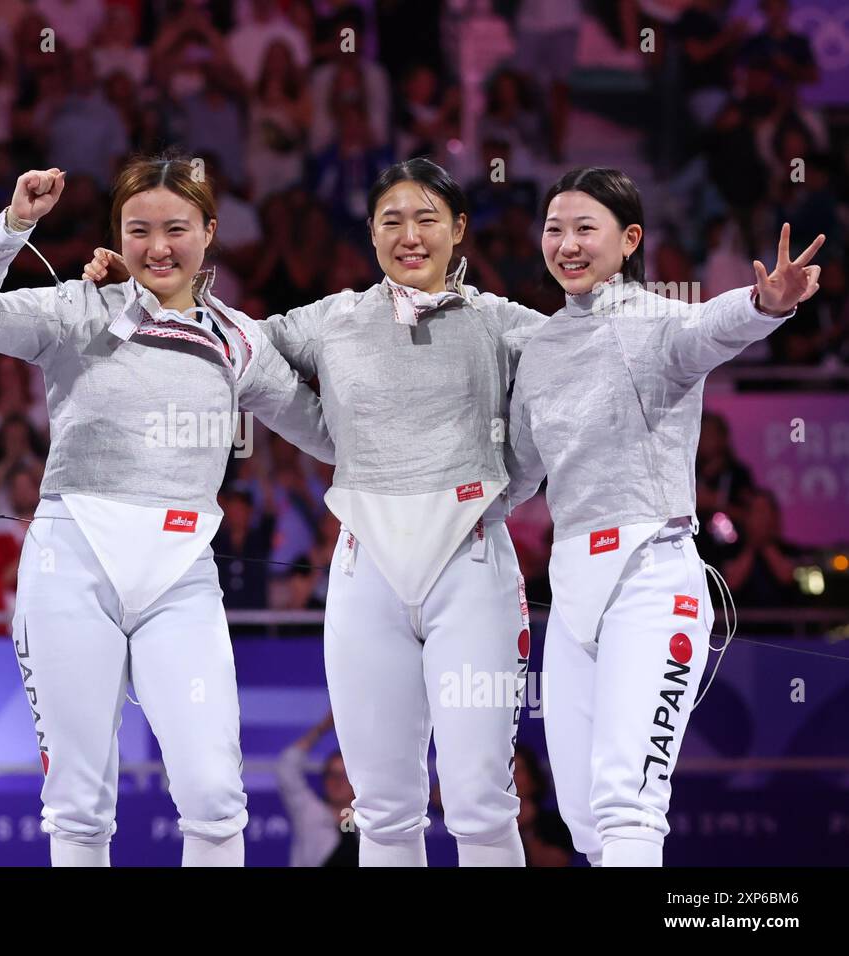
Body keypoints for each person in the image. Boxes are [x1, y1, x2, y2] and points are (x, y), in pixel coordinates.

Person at [86, 158, 549, 867]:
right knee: (384, 809)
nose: (409, 235)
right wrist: (145, 286)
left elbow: (582, 370)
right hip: (368, 571)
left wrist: (506, 491)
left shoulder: (499, 323)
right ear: (370, 234)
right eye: (391, 220)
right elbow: (231, 345)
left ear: (458, 230)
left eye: (427, 218)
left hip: (473, 568)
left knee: (479, 800)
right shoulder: (334, 319)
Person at [0, 155, 333, 867]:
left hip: (180, 577)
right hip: (71, 566)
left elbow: (328, 435)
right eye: (138, 229)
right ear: (116, 236)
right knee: (79, 807)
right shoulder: (78, 308)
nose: (157, 247)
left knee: (214, 797)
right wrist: (14, 224)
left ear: (209, 233)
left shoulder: (238, 338)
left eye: (176, 229)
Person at [507, 166, 823, 867]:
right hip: (572, 591)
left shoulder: (657, 325)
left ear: (630, 240)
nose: (566, 244)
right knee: (585, 817)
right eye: (555, 228)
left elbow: (710, 328)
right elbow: (519, 470)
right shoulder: (540, 349)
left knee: (628, 805)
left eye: (586, 228)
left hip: (653, 581)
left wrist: (765, 303)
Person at [276, 712, 357, 867]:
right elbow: (286, 767)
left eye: (344, 776)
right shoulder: (310, 812)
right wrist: (322, 728)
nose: (338, 782)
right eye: (332, 774)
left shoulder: (366, 821)